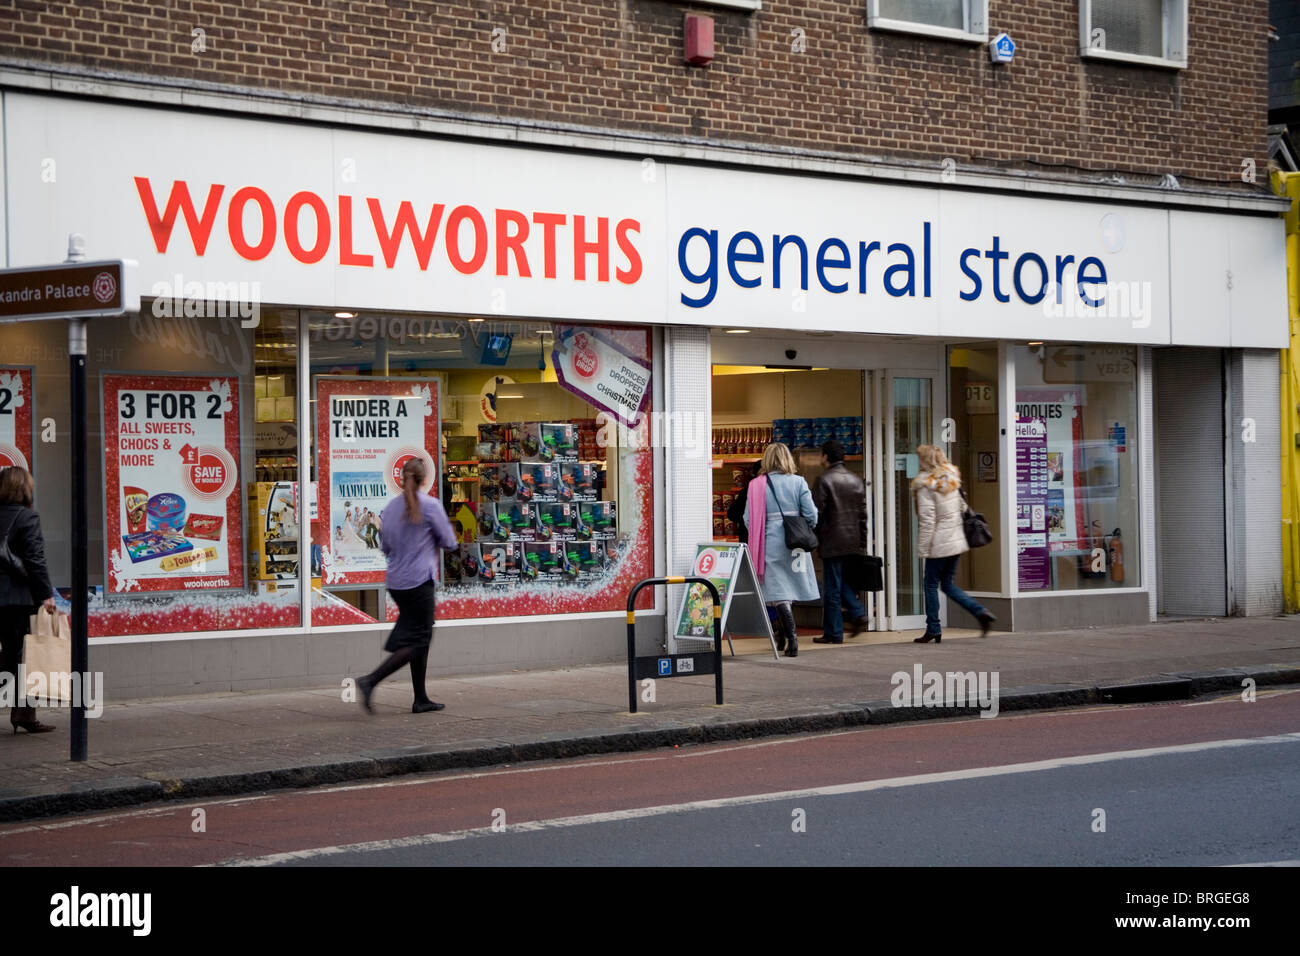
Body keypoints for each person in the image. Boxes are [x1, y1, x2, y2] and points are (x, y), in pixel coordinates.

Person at [356, 459, 458, 714]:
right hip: (419, 582)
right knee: (420, 639)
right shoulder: (430, 506)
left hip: (397, 583)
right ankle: (370, 681)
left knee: (418, 635)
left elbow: (385, 547)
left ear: (403, 479)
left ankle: (420, 698)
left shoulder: (390, 508)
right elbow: (449, 541)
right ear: (424, 480)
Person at [911, 444, 996, 643]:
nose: (918, 461)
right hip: (956, 542)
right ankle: (981, 612)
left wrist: (923, 549)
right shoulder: (951, 480)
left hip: (939, 544)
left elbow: (927, 521)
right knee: (948, 585)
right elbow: (963, 508)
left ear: (926, 460)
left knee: (930, 584)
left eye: (920, 458)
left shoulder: (925, 485)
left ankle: (933, 628)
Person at [745, 443, 819, 658]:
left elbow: (748, 519)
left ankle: (790, 638)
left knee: (779, 593)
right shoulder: (798, 482)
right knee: (788, 590)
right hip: (795, 542)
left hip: (770, 542)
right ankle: (786, 637)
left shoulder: (756, 485)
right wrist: (803, 527)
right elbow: (812, 514)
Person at [0, 466, 57, 733]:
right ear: (25, 488)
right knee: (24, 657)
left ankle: (24, 715)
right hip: (17, 600)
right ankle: (23, 715)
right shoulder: (27, 517)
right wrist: (46, 594)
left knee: (12, 656)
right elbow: (35, 559)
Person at [812, 439, 869, 644]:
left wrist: (814, 537)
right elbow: (862, 514)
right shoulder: (856, 480)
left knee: (832, 588)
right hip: (852, 540)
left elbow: (817, 513)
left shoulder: (823, 480)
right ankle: (857, 612)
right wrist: (862, 540)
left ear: (825, 456)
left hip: (832, 540)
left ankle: (834, 633)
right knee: (839, 581)